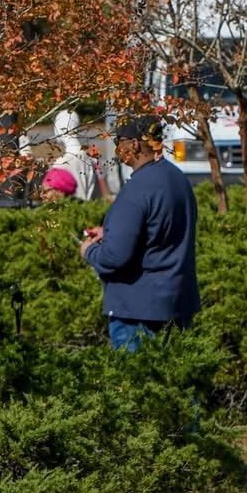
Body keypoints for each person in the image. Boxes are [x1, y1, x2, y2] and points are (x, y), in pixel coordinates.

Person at [81, 115, 200, 351]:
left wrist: (90, 251)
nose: (117, 148)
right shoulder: (177, 179)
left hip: (136, 314)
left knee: (136, 384)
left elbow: (115, 257)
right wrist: (111, 231)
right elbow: (162, 226)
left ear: (135, 144)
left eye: (119, 141)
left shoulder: (136, 191)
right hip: (177, 304)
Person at [51, 110, 98, 201]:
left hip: (71, 211)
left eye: (56, 125)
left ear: (61, 128)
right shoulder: (91, 160)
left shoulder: (61, 164)